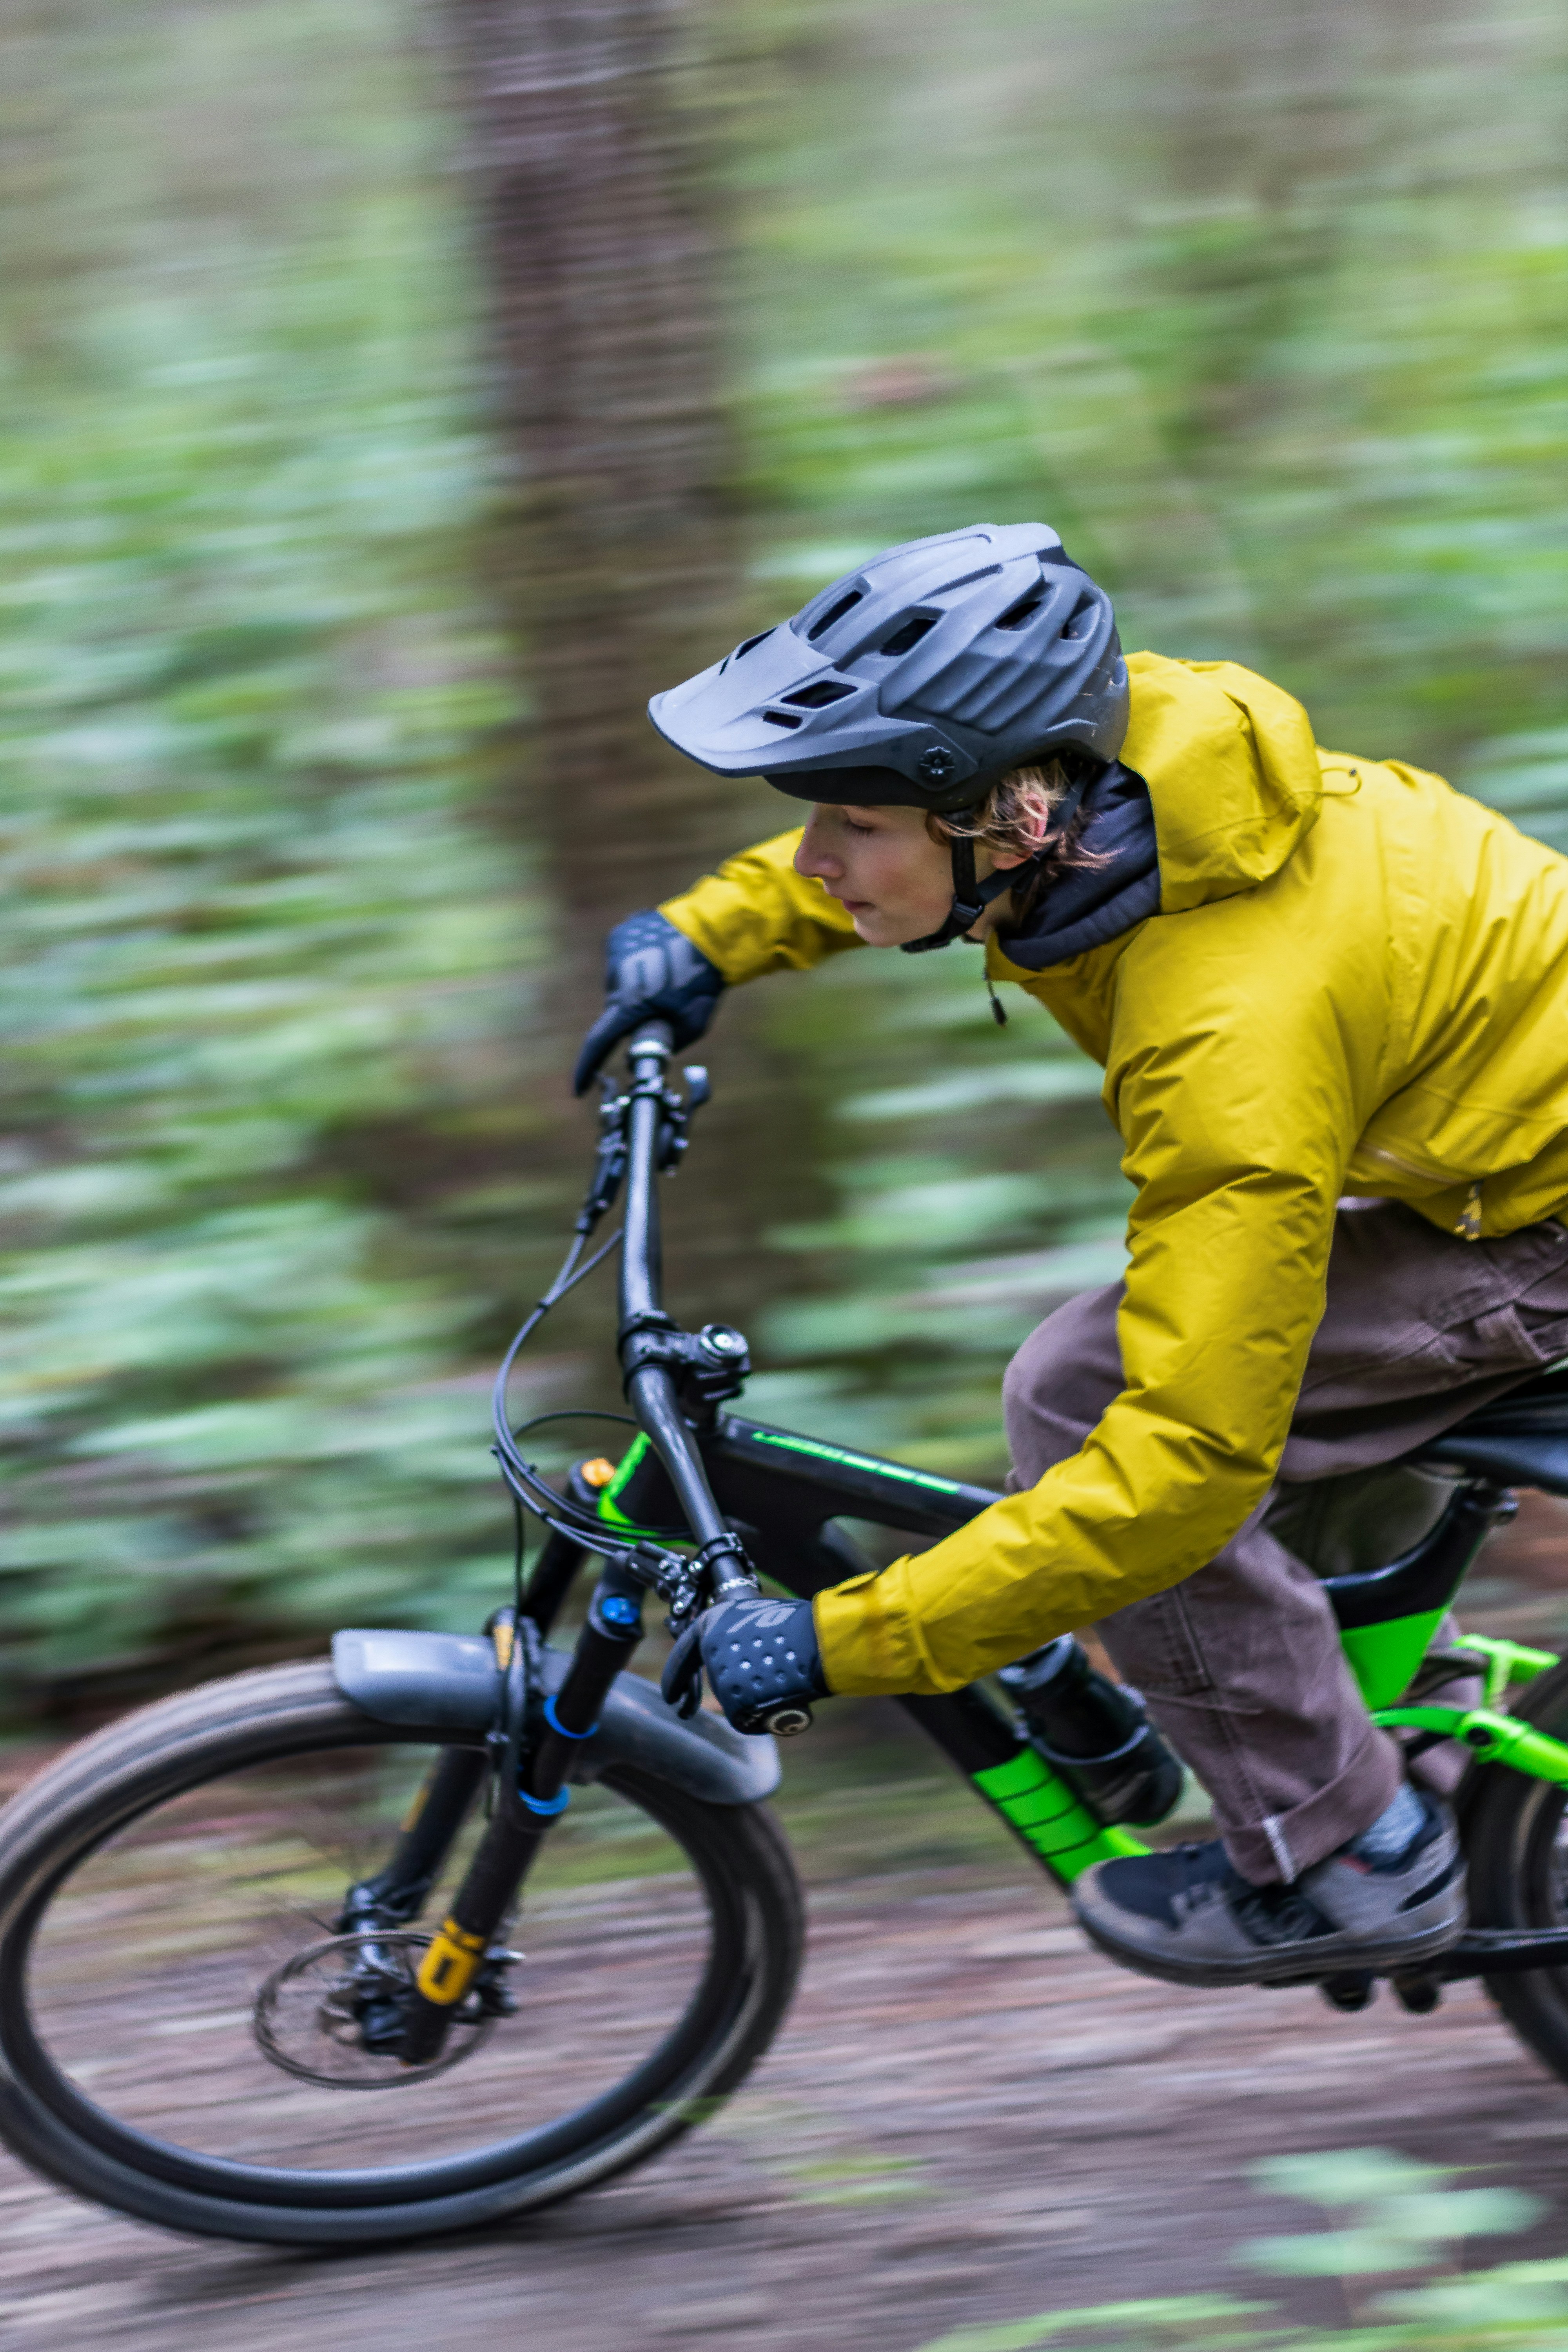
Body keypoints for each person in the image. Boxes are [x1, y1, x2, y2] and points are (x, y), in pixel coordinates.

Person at [574, 521, 1568, 1990]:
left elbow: (1174, 1474)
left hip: (1537, 1227)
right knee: (1121, 1395)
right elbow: (896, 847)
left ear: (1010, 822)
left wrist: (844, 1641)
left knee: (1097, 1407)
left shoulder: (1229, 1024)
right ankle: (1358, 1712)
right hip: (1492, 1152)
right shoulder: (1131, 758)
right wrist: (710, 937)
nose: (818, 859)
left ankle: (1349, 1852)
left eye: (852, 823)